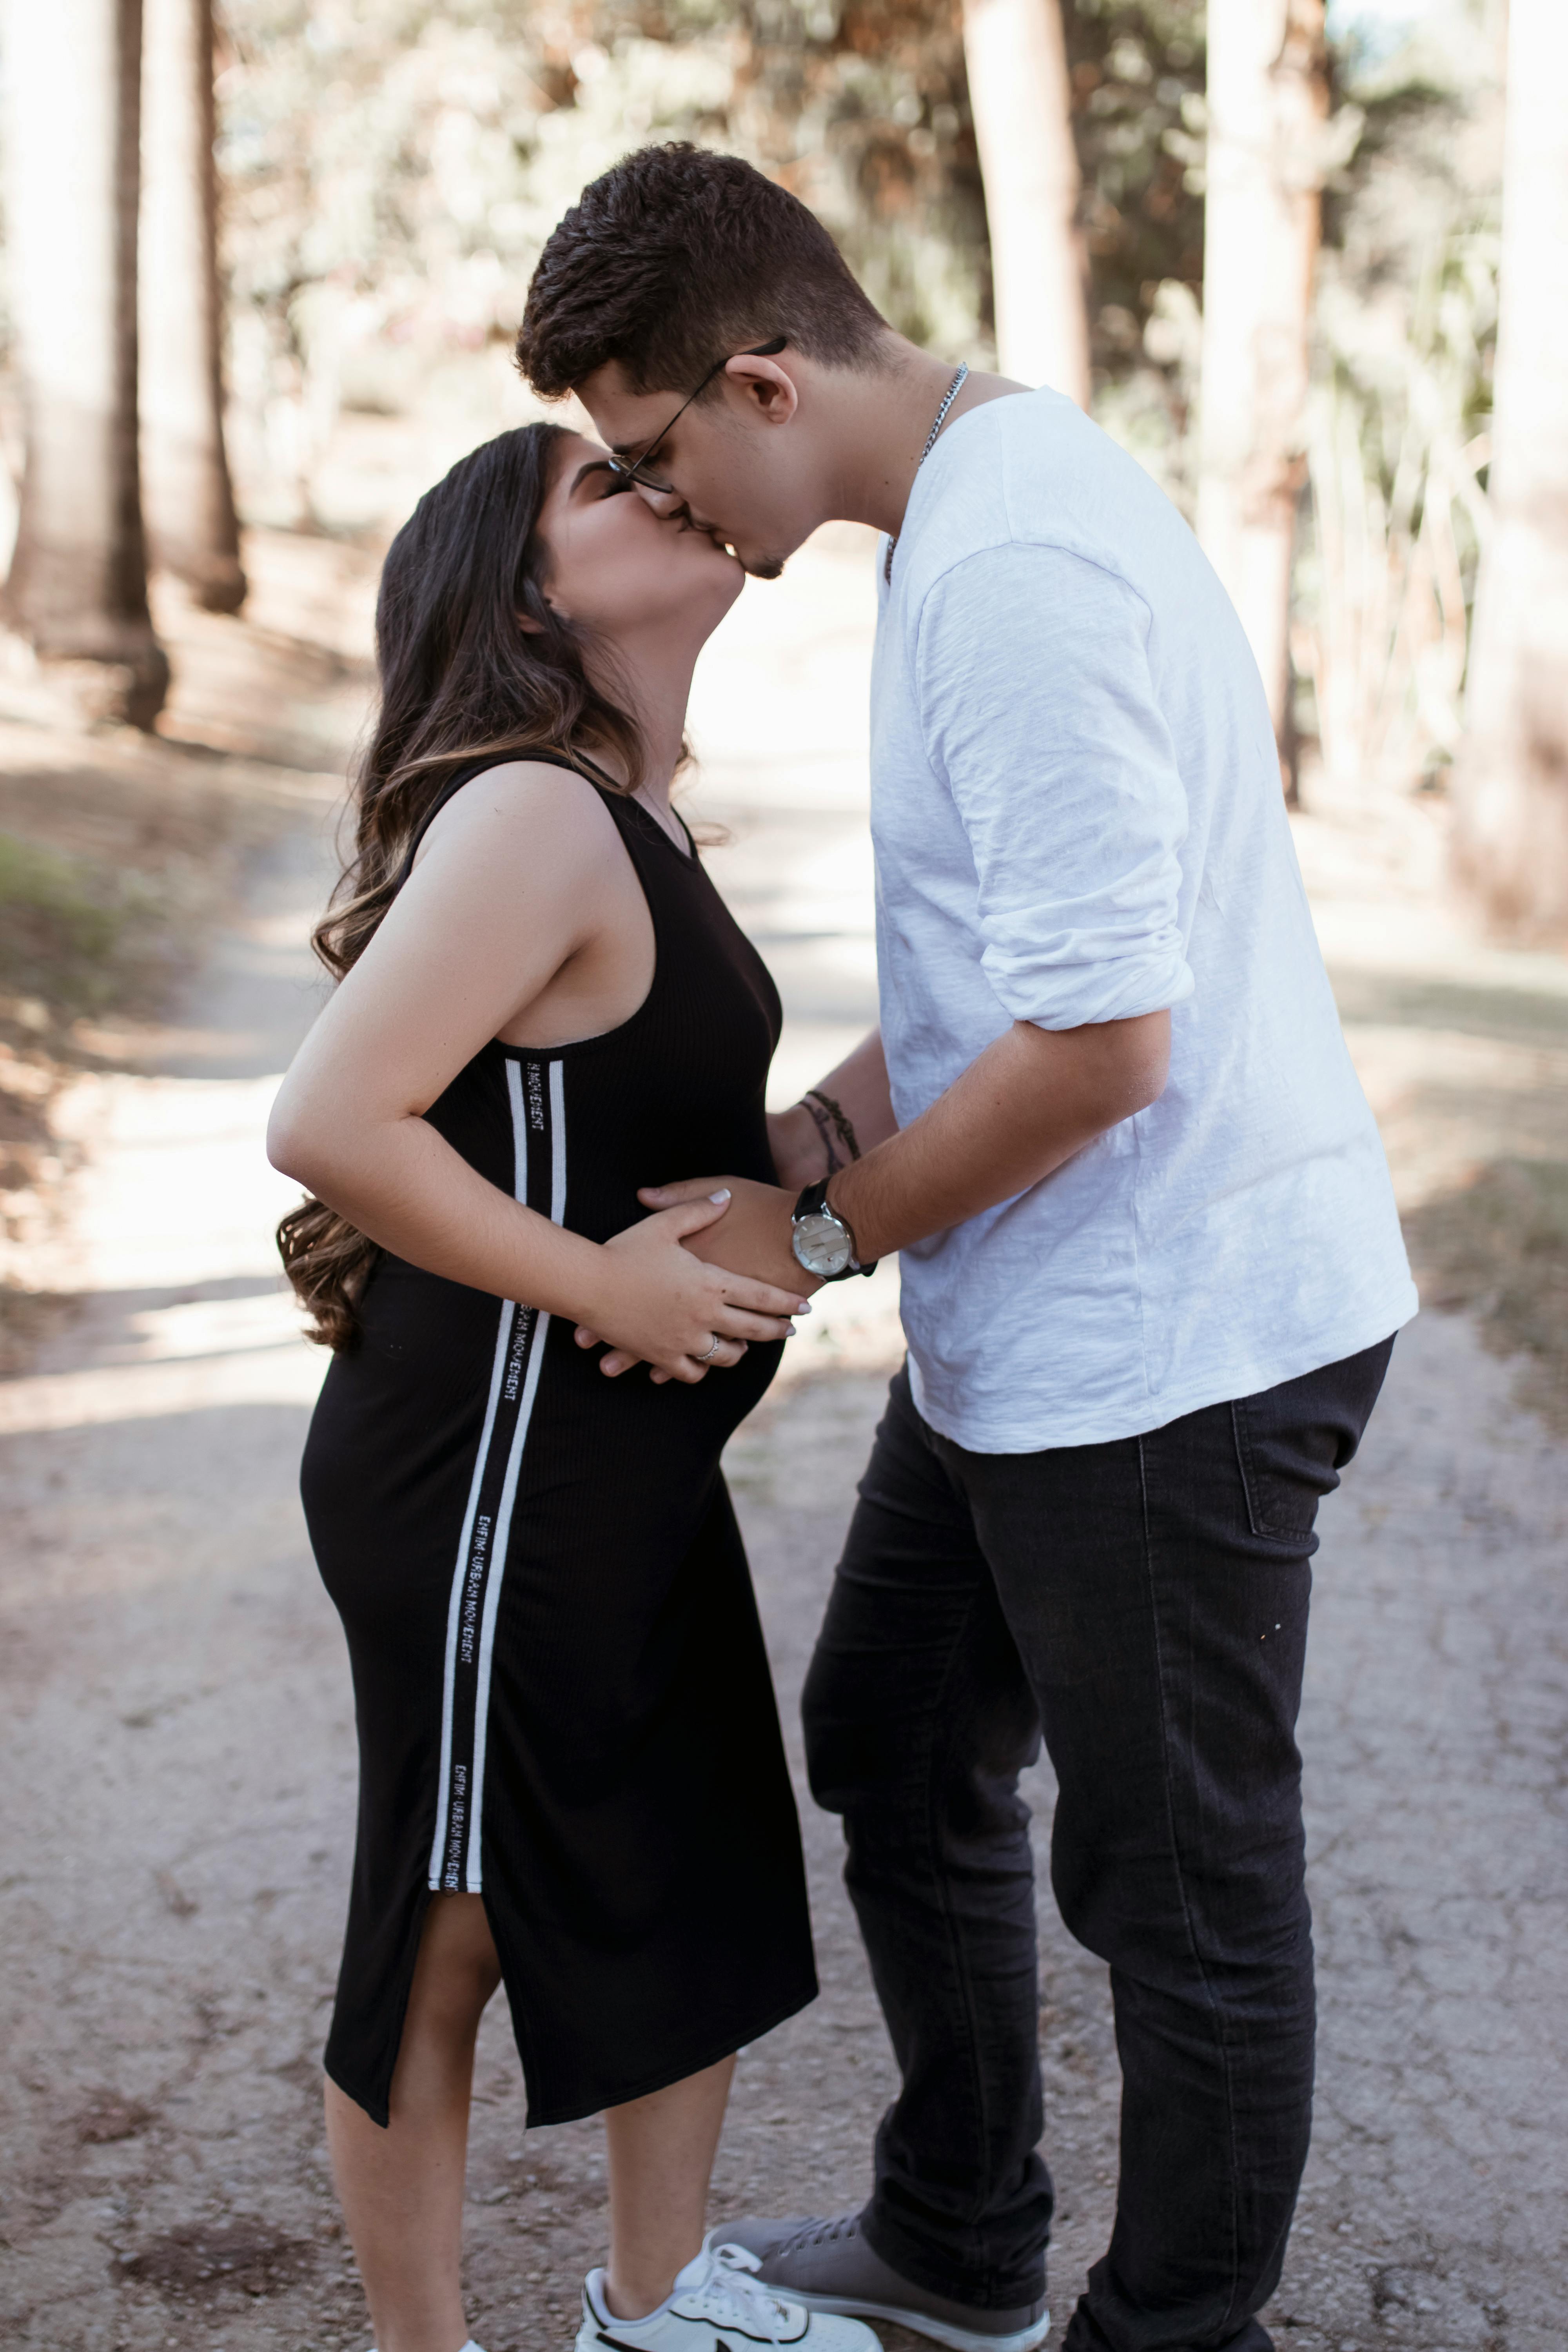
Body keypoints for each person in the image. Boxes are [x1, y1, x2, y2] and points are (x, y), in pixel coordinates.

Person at [515, 145, 1418, 2352]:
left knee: (1176, 1891)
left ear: (757, 376)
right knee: (901, 1738)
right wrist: (799, 1133)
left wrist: (817, 1232)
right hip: (1053, 1324)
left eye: (657, 454)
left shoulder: (1013, 563)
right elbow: (1005, 987)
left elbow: (1105, 1045)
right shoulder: (972, 513)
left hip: (1171, 1347)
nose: (669, 509)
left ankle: (1170, 2325)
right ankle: (964, 2237)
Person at [266, 421, 882, 2352]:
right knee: (451, 1910)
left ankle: (653, 2301)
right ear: (529, 592)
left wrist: (814, 1161)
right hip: (486, 1466)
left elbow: (627, 1127)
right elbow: (329, 1122)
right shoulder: (530, 812)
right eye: (606, 484)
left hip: (608, 1466)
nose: (666, 481)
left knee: (693, 1854)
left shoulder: (637, 822)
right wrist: (596, 1275)